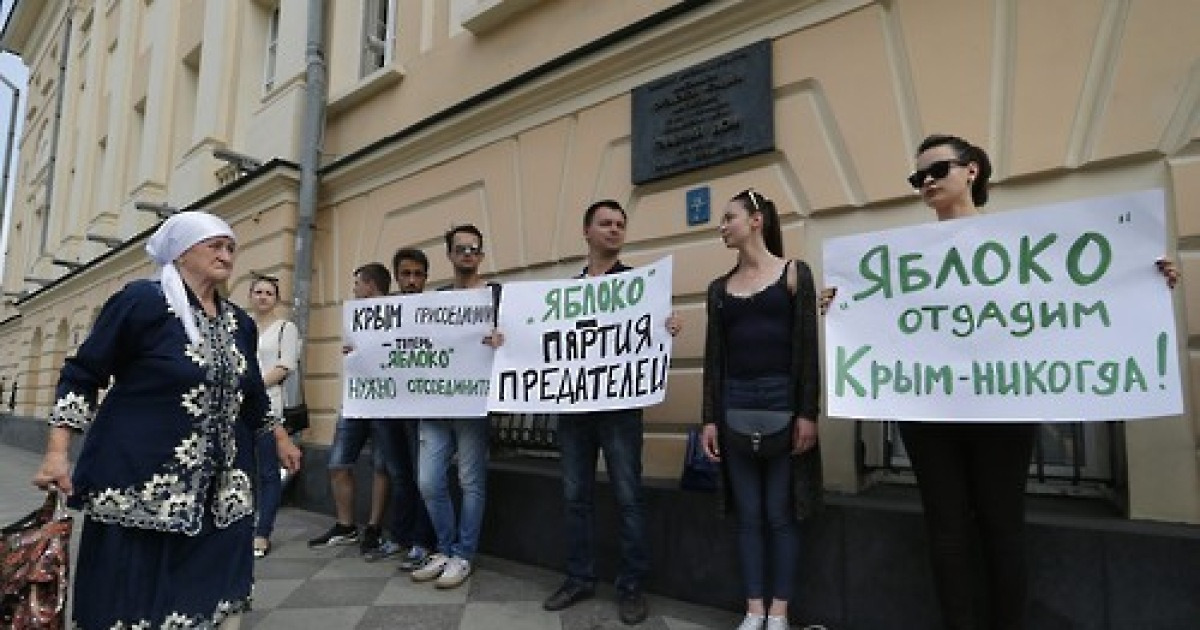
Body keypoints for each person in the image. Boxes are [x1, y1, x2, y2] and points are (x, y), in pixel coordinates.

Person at [820, 134, 1179, 630]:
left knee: (1001, 524)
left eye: (937, 169)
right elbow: (877, 320)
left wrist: (1144, 275)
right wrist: (842, 304)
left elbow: (1089, 292)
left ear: (972, 171)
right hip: (928, 411)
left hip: (1002, 408)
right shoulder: (900, 259)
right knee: (945, 528)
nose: (926, 181)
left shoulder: (1023, 242)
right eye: (917, 176)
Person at [31, 210, 302, 629]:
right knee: (132, 600)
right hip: (139, 485)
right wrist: (56, 451)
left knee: (213, 597)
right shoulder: (142, 301)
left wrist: (281, 438)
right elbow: (83, 374)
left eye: (231, 247)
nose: (226, 253)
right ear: (180, 252)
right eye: (214, 245)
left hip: (222, 491)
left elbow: (250, 394)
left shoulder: (240, 324)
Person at [540, 200, 682, 625]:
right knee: (574, 497)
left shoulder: (639, 287)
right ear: (587, 231)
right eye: (606, 223)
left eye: (621, 224)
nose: (614, 230)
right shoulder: (567, 292)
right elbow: (546, 341)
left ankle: (631, 585)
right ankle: (579, 577)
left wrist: (666, 328)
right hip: (575, 410)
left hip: (620, 411)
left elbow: (646, 337)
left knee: (628, 496)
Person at [697, 190, 821, 630]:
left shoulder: (793, 274)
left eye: (728, 217)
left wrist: (808, 413)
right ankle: (753, 611)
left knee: (780, 515)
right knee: (748, 517)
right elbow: (714, 360)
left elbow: (807, 347)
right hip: (733, 414)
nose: (722, 226)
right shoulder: (718, 289)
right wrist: (708, 419)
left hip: (784, 413)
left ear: (755, 220)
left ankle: (779, 613)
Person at [410, 225, 496, 589]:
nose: (467, 254)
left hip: (473, 403)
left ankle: (464, 554)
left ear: (481, 254)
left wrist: (500, 338)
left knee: (470, 480)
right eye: (460, 249)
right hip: (435, 402)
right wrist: (365, 352)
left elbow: (517, 336)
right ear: (449, 254)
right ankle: (444, 548)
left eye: (474, 249)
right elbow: (410, 342)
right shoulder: (436, 299)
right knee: (429, 480)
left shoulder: (496, 296)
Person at [308, 263, 397, 557]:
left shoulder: (398, 314)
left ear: (370, 285)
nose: (355, 289)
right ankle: (345, 526)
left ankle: (373, 526)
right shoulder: (354, 318)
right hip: (356, 401)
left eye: (357, 283)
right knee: (337, 462)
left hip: (385, 404)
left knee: (382, 467)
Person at [366, 247, 437, 571]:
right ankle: (400, 535)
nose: (411, 280)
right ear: (396, 276)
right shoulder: (380, 313)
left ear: (425, 278)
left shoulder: (434, 310)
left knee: (421, 476)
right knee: (398, 474)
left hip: (419, 407)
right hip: (385, 406)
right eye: (405, 274)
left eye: (417, 274)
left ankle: (422, 541)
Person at [248, 273, 301, 558]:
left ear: (276, 298)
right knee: (242, 470)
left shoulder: (285, 328)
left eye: (269, 293)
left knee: (268, 471)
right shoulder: (243, 326)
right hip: (239, 406)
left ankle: (262, 533)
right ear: (251, 296)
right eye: (258, 292)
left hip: (269, 405)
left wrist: (252, 386)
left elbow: (285, 366)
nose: (263, 297)